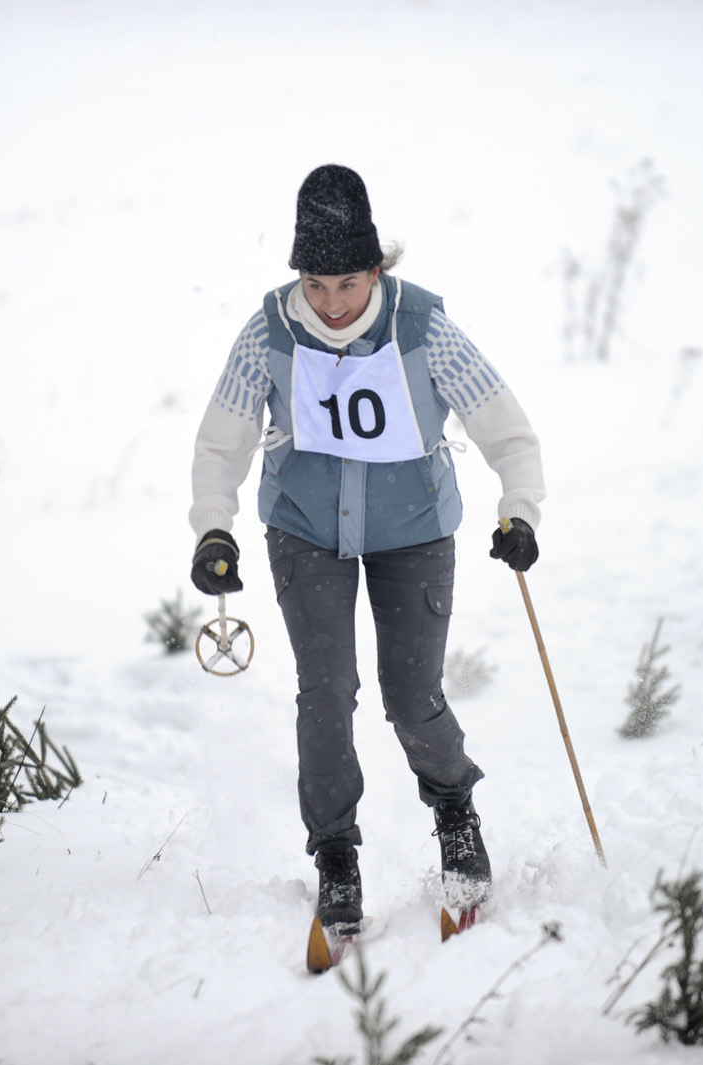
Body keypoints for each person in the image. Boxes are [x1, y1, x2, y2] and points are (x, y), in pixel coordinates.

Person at [187, 164, 545, 935]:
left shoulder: (423, 329)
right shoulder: (269, 334)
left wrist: (520, 510)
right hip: (304, 529)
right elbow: (221, 444)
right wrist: (213, 526)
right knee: (325, 691)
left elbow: (507, 430)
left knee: (411, 693)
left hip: (413, 529)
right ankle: (335, 859)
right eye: (315, 285)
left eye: (347, 284)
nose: (332, 303)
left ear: (375, 271)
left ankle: (455, 815)